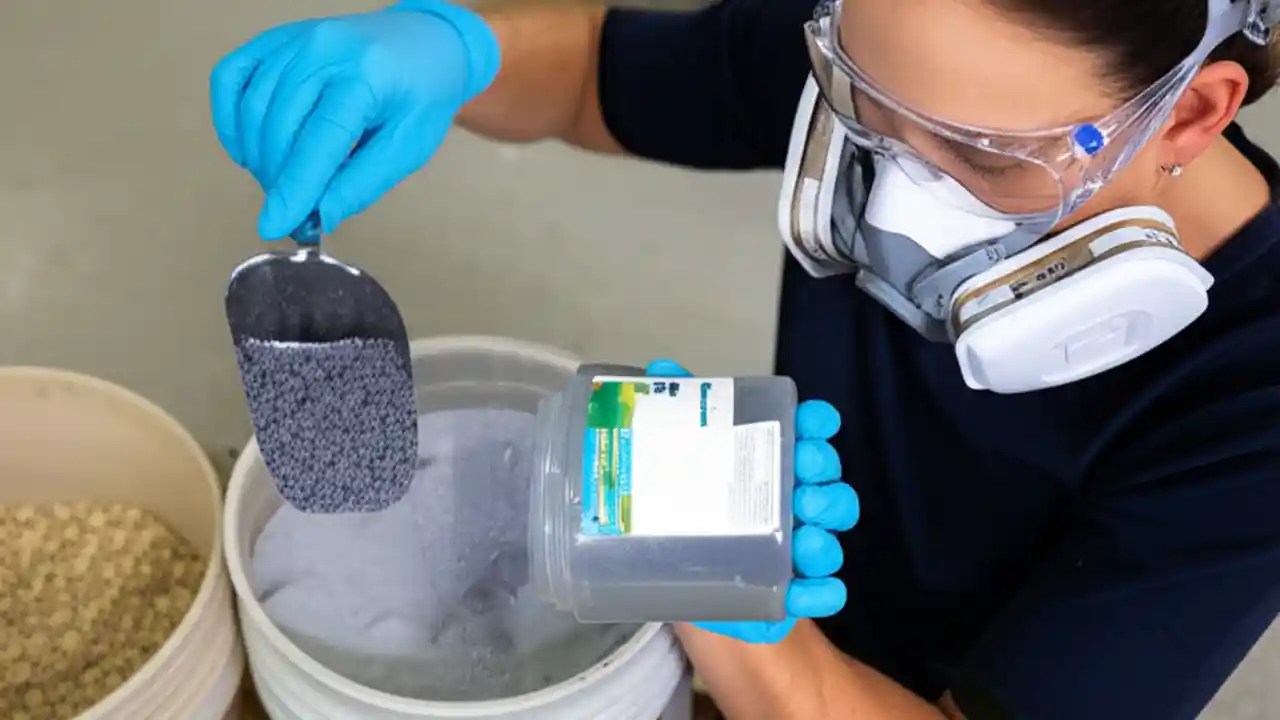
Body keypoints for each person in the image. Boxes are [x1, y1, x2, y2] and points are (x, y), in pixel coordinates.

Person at [209, 0, 1280, 717]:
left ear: (1187, 112)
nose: (893, 196)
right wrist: (447, 49)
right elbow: (590, 79)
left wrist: (737, 615)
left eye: (984, 156)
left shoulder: (1253, 408)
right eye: (863, 106)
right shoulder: (896, 29)